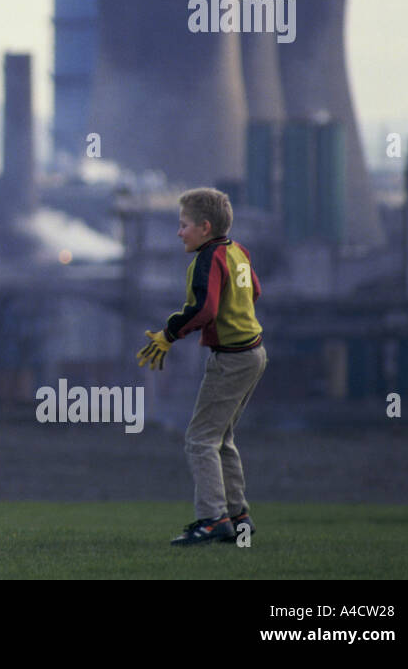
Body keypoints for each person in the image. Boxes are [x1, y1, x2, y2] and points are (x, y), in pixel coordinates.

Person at [136, 188, 267, 547]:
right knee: (221, 437)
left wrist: (169, 333)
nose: (179, 233)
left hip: (232, 359)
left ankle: (213, 519)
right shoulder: (238, 252)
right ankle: (239, 517)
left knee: (199, 440)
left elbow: (205, 309)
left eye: (184, 225)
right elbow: (254, 290)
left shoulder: (207, 259)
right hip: (254, 353)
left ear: (205, 228)